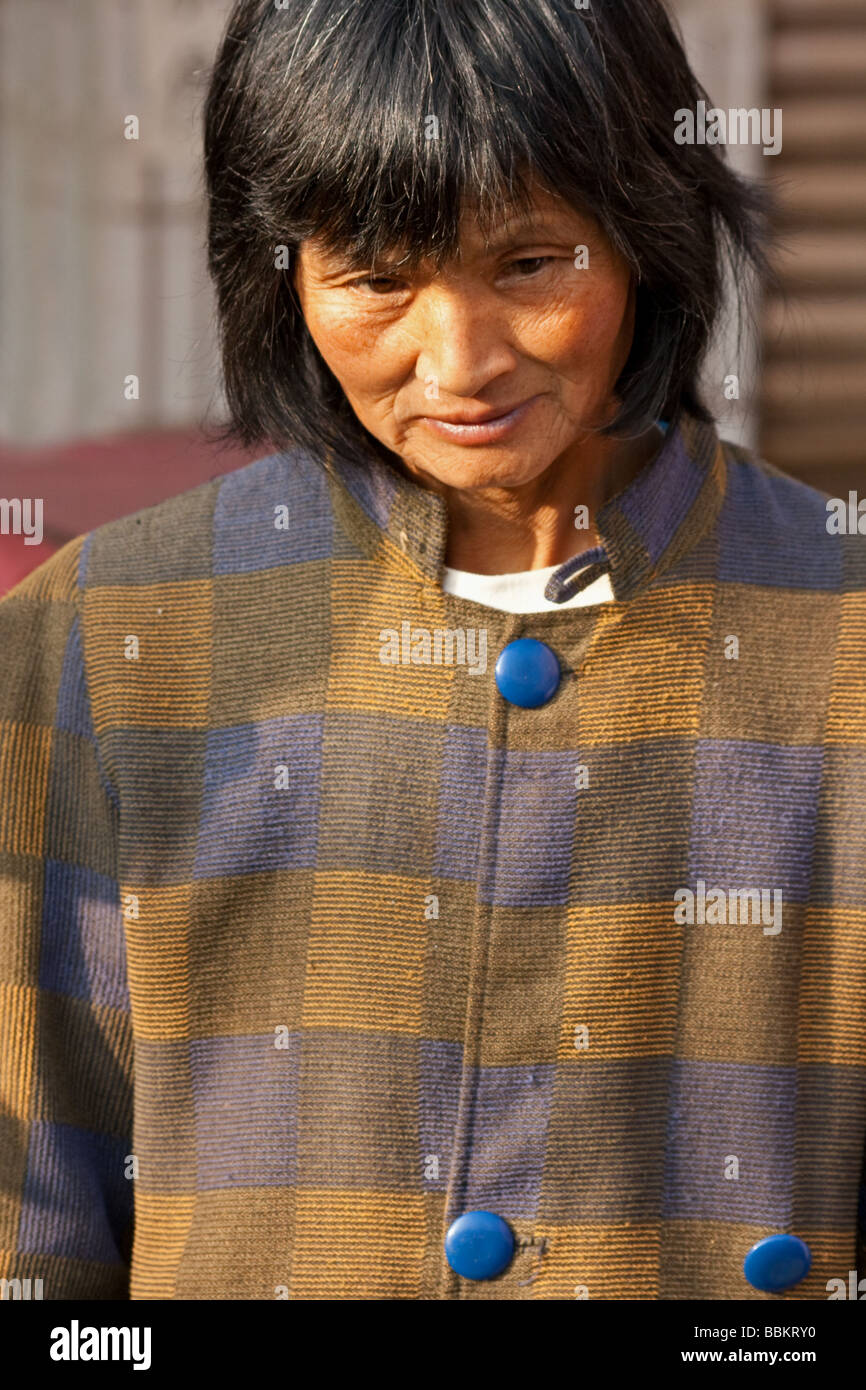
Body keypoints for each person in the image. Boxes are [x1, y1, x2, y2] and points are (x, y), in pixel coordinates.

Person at [1, 0, 862, 1301]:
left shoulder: (841, 633)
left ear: (647, 232)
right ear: (277, 269)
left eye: (529, 264)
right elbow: (33, 1249)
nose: (457, 360)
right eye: (375, 278)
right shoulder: (95, 640)